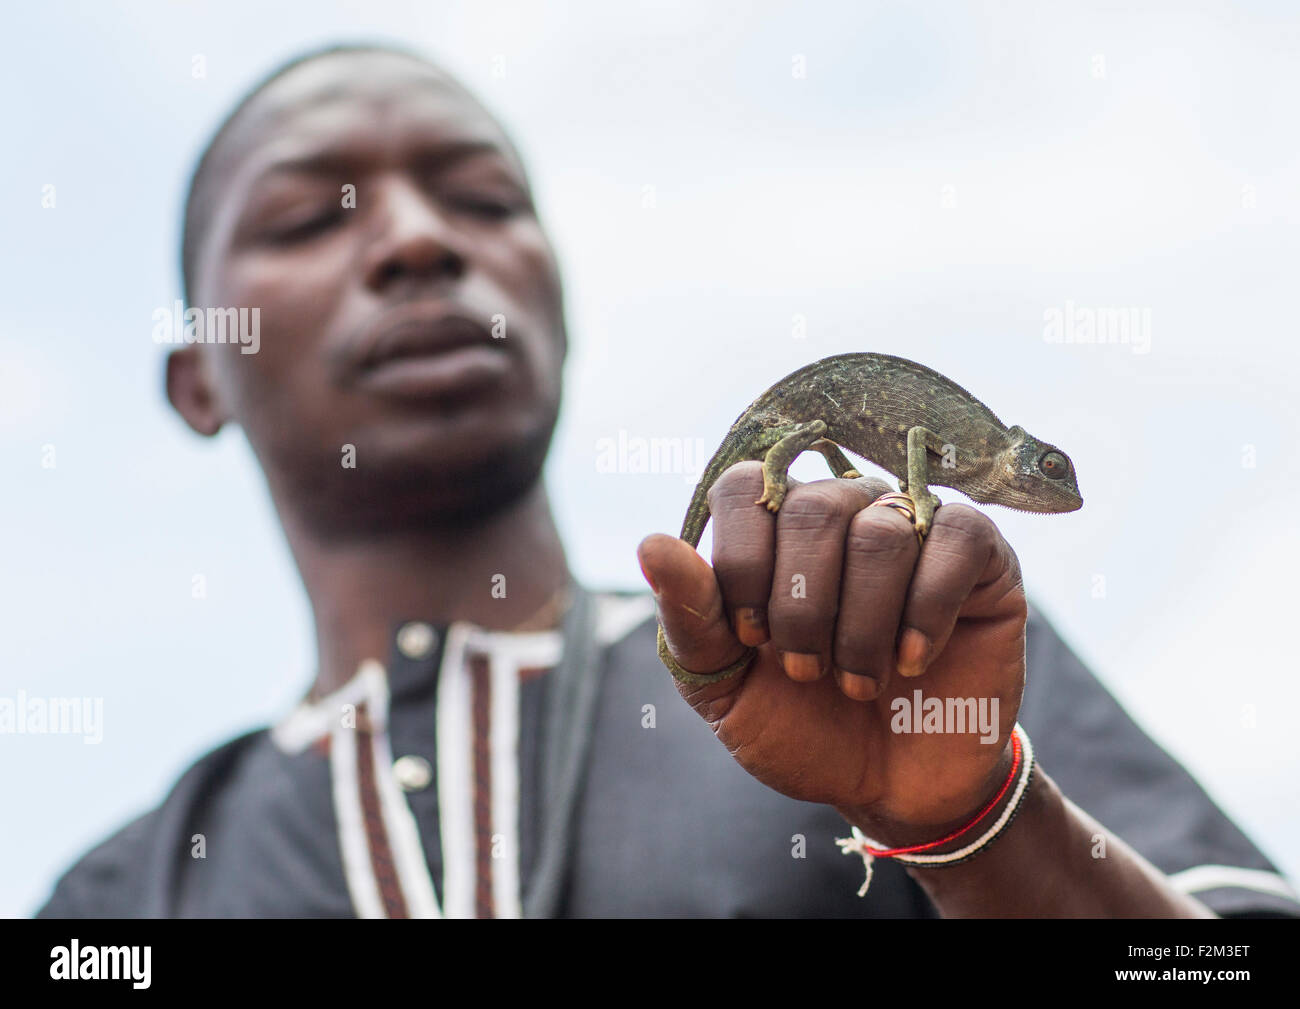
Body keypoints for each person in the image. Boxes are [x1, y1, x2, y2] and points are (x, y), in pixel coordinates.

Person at [37, 43, 1299, 918]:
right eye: (313, 218)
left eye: (481, 199)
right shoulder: (126, 897)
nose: (416, 239)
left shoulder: (900, 636)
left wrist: (977, 821)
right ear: (200, 377)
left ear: (560, 308)